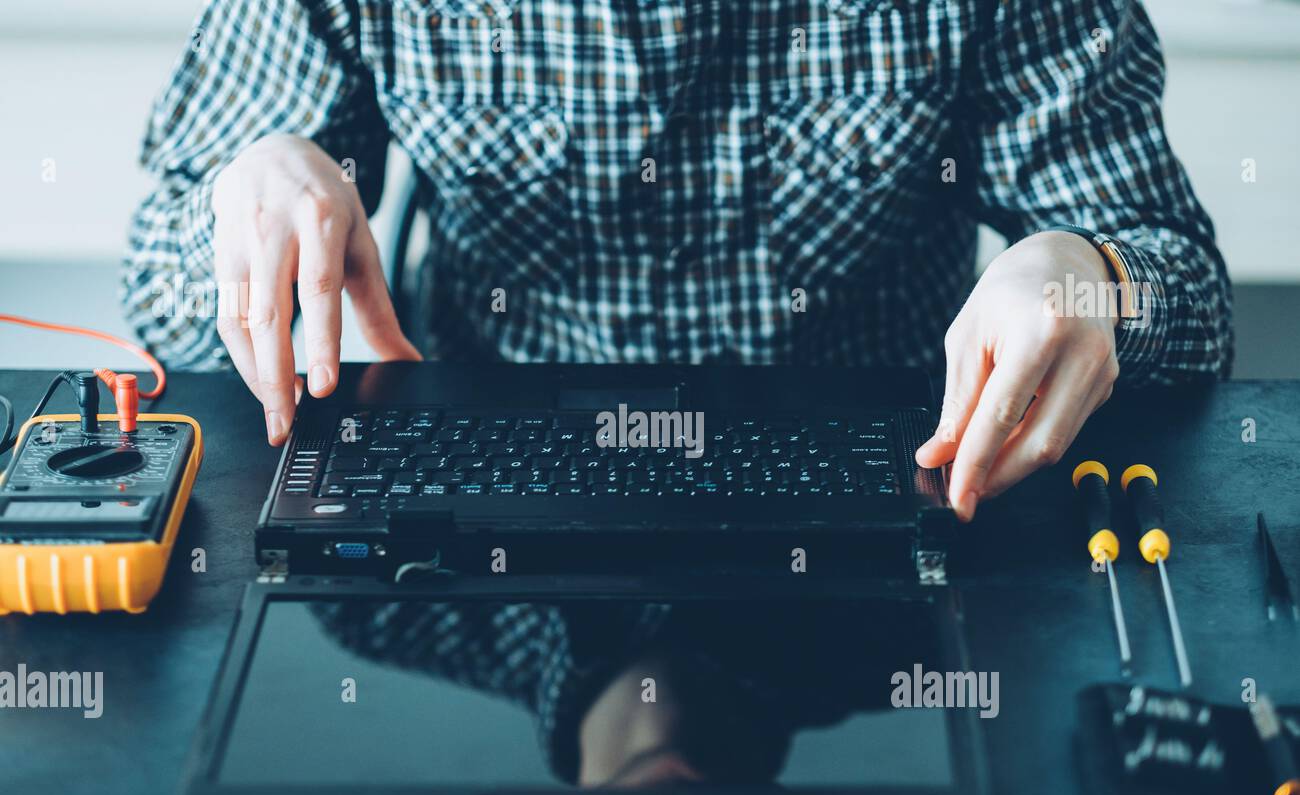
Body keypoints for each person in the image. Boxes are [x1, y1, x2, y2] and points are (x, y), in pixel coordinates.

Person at [123, 0, 1231, 521]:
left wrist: (1088, 276)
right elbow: (164, 291)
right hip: (469, 490)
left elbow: (1178, 279)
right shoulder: (393, 641)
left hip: (901, 500)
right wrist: (240, 199)